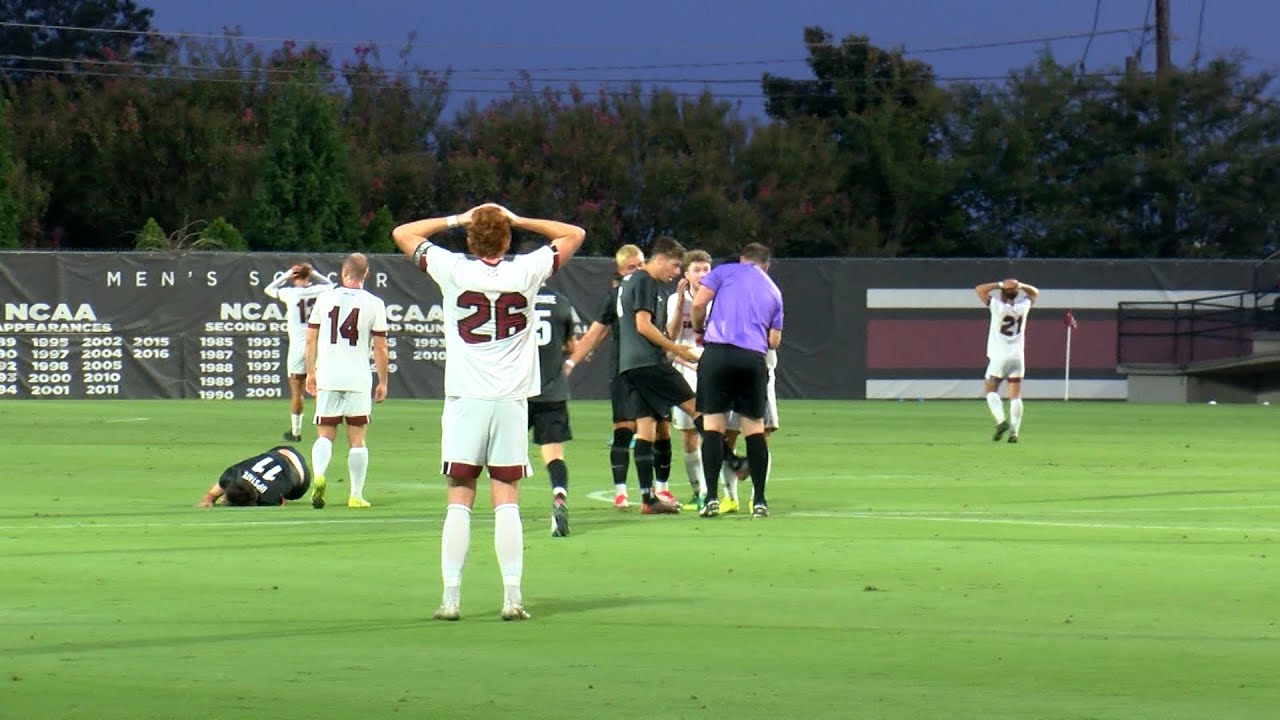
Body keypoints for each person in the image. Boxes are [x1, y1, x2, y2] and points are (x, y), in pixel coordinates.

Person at [392, 203, 585, 622]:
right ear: (509, 239)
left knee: (459, 500)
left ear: (469, 239)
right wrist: (518, 219)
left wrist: (456, 219)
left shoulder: (453, 268)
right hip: (511, 401)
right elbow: (574, 233)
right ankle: (512, 598)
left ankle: (451, 598)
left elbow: (403, 232)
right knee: (507, 501)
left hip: (466, 398)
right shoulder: (527, 270)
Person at [690, 243, 784, 519]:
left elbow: (698, 303)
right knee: (754, 429)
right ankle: (760, 501)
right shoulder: (774, 290)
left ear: (743, 259)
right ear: (766, 265)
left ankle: (710, 499)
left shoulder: (725, 272)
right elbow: (774, 341)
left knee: (713, 427)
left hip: (717, 353)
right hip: (752, 359)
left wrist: (699, 328)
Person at [616, 236, 701, 514]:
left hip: (633, 365)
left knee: (646, 430)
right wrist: (674, 348)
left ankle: (647, 499)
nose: (676, 272)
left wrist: (672, 350)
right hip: (648, 363)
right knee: (698, 409)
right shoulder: (643, 281)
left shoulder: (641, 284)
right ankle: (733, 463)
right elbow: (643, 325)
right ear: (660, 259)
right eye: (675, 265)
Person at [304, 253, 390, 510]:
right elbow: (380, 347)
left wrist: (310, 372)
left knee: (325, 434)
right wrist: (383, 381)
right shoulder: (374, 303)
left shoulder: (325, 298)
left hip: (328, 375)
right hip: (358, 377)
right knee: (357, 438)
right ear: (366, 274)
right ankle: (355, 494)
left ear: (343, 272)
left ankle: (319, 475)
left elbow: (310, 340)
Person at [564, 245, 644, 510]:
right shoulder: (615, 296)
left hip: (653, 369)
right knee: (623, 428)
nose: (638, 271)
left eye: (641, 265)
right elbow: (595, 333)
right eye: (632, 267)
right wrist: (572, 361)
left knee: (656, 431)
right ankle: (620, 492)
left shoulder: (657, 292)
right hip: (623, 368)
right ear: (620, 271)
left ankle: (655, 490)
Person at [530, 281, 582, 537]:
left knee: (504, 456)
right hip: (552, 391)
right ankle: (559, 495)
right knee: (553, 453)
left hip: (516, 390)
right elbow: (571, 346)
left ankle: (506, 513)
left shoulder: (514, 297)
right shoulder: (560, 300)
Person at [263, 263, 333, 442]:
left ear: (295, 277)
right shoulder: (319, 291)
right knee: (319, 390)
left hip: (297, 347)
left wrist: (286, 274)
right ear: (308, 276)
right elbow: (333, 285)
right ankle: (322, 432)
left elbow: (269, 289)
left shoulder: (290, 293)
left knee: (297, 391)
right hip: (316, 346)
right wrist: (316, 273)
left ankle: (295, 432)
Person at [665, 249, 713, 509]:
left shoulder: (718, 299)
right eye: (696, 270)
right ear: (686, 274)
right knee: (688, 435)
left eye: (706, 269)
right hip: (684, 369)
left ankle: (714, 490)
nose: (702, 275)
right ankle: (698, 490)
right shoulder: (675, 299)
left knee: (713, 430)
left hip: (711, 368)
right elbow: (670, 336)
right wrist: (682, 298)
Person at [975, 278, 1039, 443]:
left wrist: (1000, 284)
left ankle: (1000, 421)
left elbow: (980, 289)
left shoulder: (998, 307)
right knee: (1015, 396)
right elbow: (1035, 292)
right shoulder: (1022, 307)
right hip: (1018, 357)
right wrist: (1021, 285)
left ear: (1002, 294)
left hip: (999, 356)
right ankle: (1014, 433)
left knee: (990, 389)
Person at [195, 445, 312, 507]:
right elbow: (211, 495)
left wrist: (207, 501)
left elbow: (282, 502)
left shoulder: (269, 497)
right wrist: (208, 499)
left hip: (300, 478)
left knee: (292, 494)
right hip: (281, 451)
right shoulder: (234, 473)